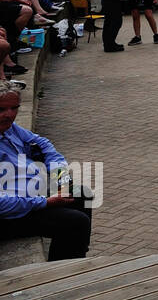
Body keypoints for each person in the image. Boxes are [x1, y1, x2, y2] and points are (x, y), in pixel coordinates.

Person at [0, 80, 92, 261]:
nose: (9, 115)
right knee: (76, 222)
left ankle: (74, 258)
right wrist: (44, 202)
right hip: (8, 214)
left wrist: (61, 178)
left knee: (80, 193)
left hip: (26, 195)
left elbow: (44, 146)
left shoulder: (10, 129)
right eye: (1, 109)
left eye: (14, 108)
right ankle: (63, 271)